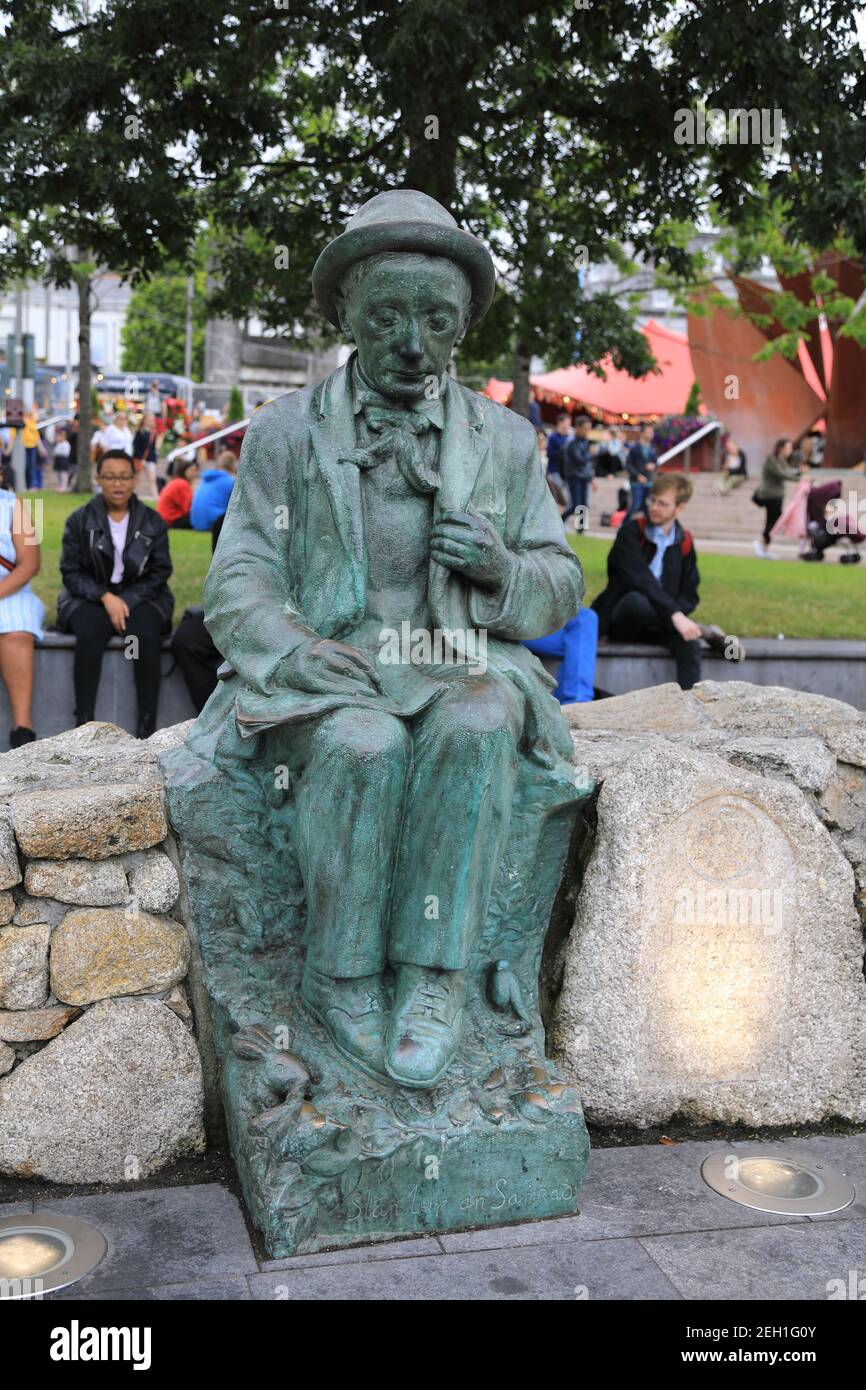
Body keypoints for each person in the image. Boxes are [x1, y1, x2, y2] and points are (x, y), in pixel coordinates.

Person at [184, 188, 587, 1089]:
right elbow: (239, 574)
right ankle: (342, 978)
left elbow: (560, 580)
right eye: (388, 317)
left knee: (480, 725)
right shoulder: (288, 433)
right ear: (348, 319)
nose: (412, 342)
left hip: (454, 658)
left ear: (460, 330)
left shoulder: (508, 443)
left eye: (436, 320)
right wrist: (290, 649)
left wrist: (501, 571)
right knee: (360, 747)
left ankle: (435, 980)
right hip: (339, 665)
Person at [57, 449, 173, 737]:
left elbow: (160, 571)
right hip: (91, 596)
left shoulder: (152, 521)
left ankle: (146, 726)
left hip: (142, 596)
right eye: (110, 477)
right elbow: (71, 572)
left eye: (123, 477)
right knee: (91, 630)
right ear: (98, 479)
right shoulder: (79, 520)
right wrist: (105, 598)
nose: (117, 484)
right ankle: (84, 723)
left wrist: (127, 600)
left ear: (133, 480)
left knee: (141, 634)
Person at [593, 472, 745, 690]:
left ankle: (688, 708)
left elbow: (690, 594)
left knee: (689, 644)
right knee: (637, 599)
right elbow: (640, 580)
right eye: (652, 500)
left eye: (662, 504)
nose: (654, 507)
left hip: (659, 625)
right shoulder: (631, 533)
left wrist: (679, 615)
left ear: (680, 508)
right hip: (622, 621)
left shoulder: (684, 542)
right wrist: (675, 615)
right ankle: (706, 632)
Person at [0, 488, 44, 747]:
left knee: (16, 629)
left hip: (10, 590)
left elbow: (30, 563)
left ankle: (22, 729)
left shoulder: (13, 505)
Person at [752, 437, 803, 558]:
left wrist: (799, 473)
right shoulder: (772, 461)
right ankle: (760, 543)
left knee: (773, 521)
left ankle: (764, 547)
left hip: (777, 495)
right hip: (770, 495)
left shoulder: (781, 461)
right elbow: (783, 474)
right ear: (781, 448)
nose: (790, 450)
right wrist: (800, 478)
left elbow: (788, 472)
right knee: (773, 522)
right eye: (788, 447)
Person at [561, 416, 596, 531]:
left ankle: (580, 530)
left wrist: (591, 478)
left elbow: (587, 464)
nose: (587, 431)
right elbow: (579, 460)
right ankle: (559, 521)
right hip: (574, 477)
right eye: (585, 428)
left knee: (583, 505)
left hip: (584, 477)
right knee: (576, 505)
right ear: (578, 428)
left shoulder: (585, 442)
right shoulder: (572, 443)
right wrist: (591, 454)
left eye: (589, 428)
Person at [190, 449, 237, 534]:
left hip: (197, 523)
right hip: (215, 523)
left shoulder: (206, 479)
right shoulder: (230, 481)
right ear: (234, 466)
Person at [625, 424, 657, 518]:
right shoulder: (634, 448)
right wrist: (638, 476)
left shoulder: (652, 448)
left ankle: (648, 528)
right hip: (636, 482)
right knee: (636, 504)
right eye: (649, 432)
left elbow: (656, 462)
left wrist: (653, 465)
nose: (651, 434)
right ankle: (624, 526)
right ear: (642, 433)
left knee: (647, 507)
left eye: (652, 432)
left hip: (649, 481)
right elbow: (628, 465)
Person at [157, 457, 199, 529]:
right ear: (184, 470)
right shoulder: (182, 484)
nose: (194, 474)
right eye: (192, 470)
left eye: (195, 471)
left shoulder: (177, 482)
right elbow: (187, 508)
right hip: (170, 520)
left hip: (163, 519)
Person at [132, 412, 160, 499]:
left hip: (150, 459)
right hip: (139, 459)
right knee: (136, 479)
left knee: (152, 479)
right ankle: (131, 495)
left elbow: (153, 448)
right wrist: (140, 458)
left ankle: (156, 497)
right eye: (150, 419)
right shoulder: (140, 432)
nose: (151, 421)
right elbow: (136, 446)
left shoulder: (153, 433)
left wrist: (155, 460)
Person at [545, 412, 572, 480]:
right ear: (560, 423)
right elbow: (550, 453)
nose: (569, 425)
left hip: (567, 471)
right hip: (555, 471)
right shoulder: (552, 437)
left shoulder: (568, 437)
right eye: (567, 422)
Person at [22, 410, 44, 489]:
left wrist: (41, 448)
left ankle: (31, 485)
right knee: (27, 466)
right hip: (24, 447)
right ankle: (28, 485)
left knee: (31, 466)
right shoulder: (22, 421)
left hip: (32, 446)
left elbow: (36, 436)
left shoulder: (32, 421)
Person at [52, 426, 73, 492]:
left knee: (63, 474)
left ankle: (64, 486)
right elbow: (54, 451)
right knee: (58, 473)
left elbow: (65, 453)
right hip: (58, 460)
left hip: (63, 460)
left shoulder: (66, 444)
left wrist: (58, 453)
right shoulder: (58, 444)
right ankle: (60, 485)